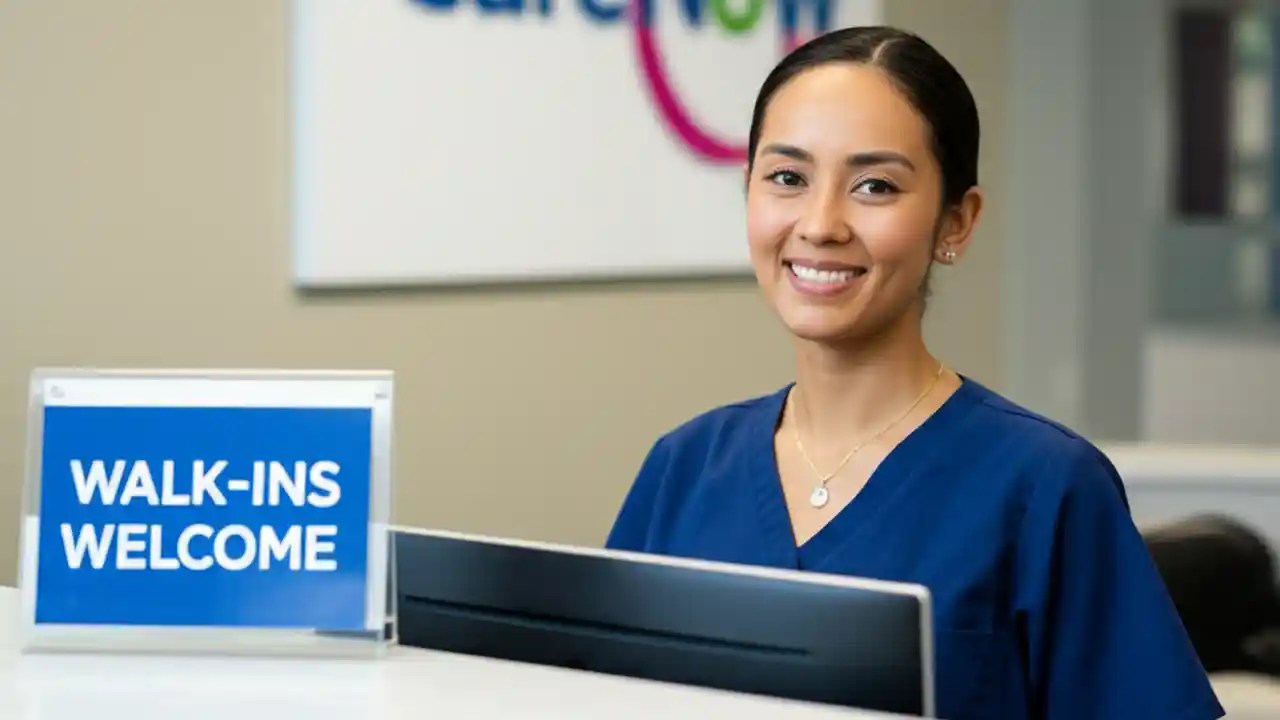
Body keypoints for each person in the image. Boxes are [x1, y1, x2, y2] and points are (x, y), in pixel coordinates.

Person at [605, 25, 1224, 720]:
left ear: (956, 222)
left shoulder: (1045, 487)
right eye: (788, 178)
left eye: (875, 186)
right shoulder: (683, 470)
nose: (821, 223)